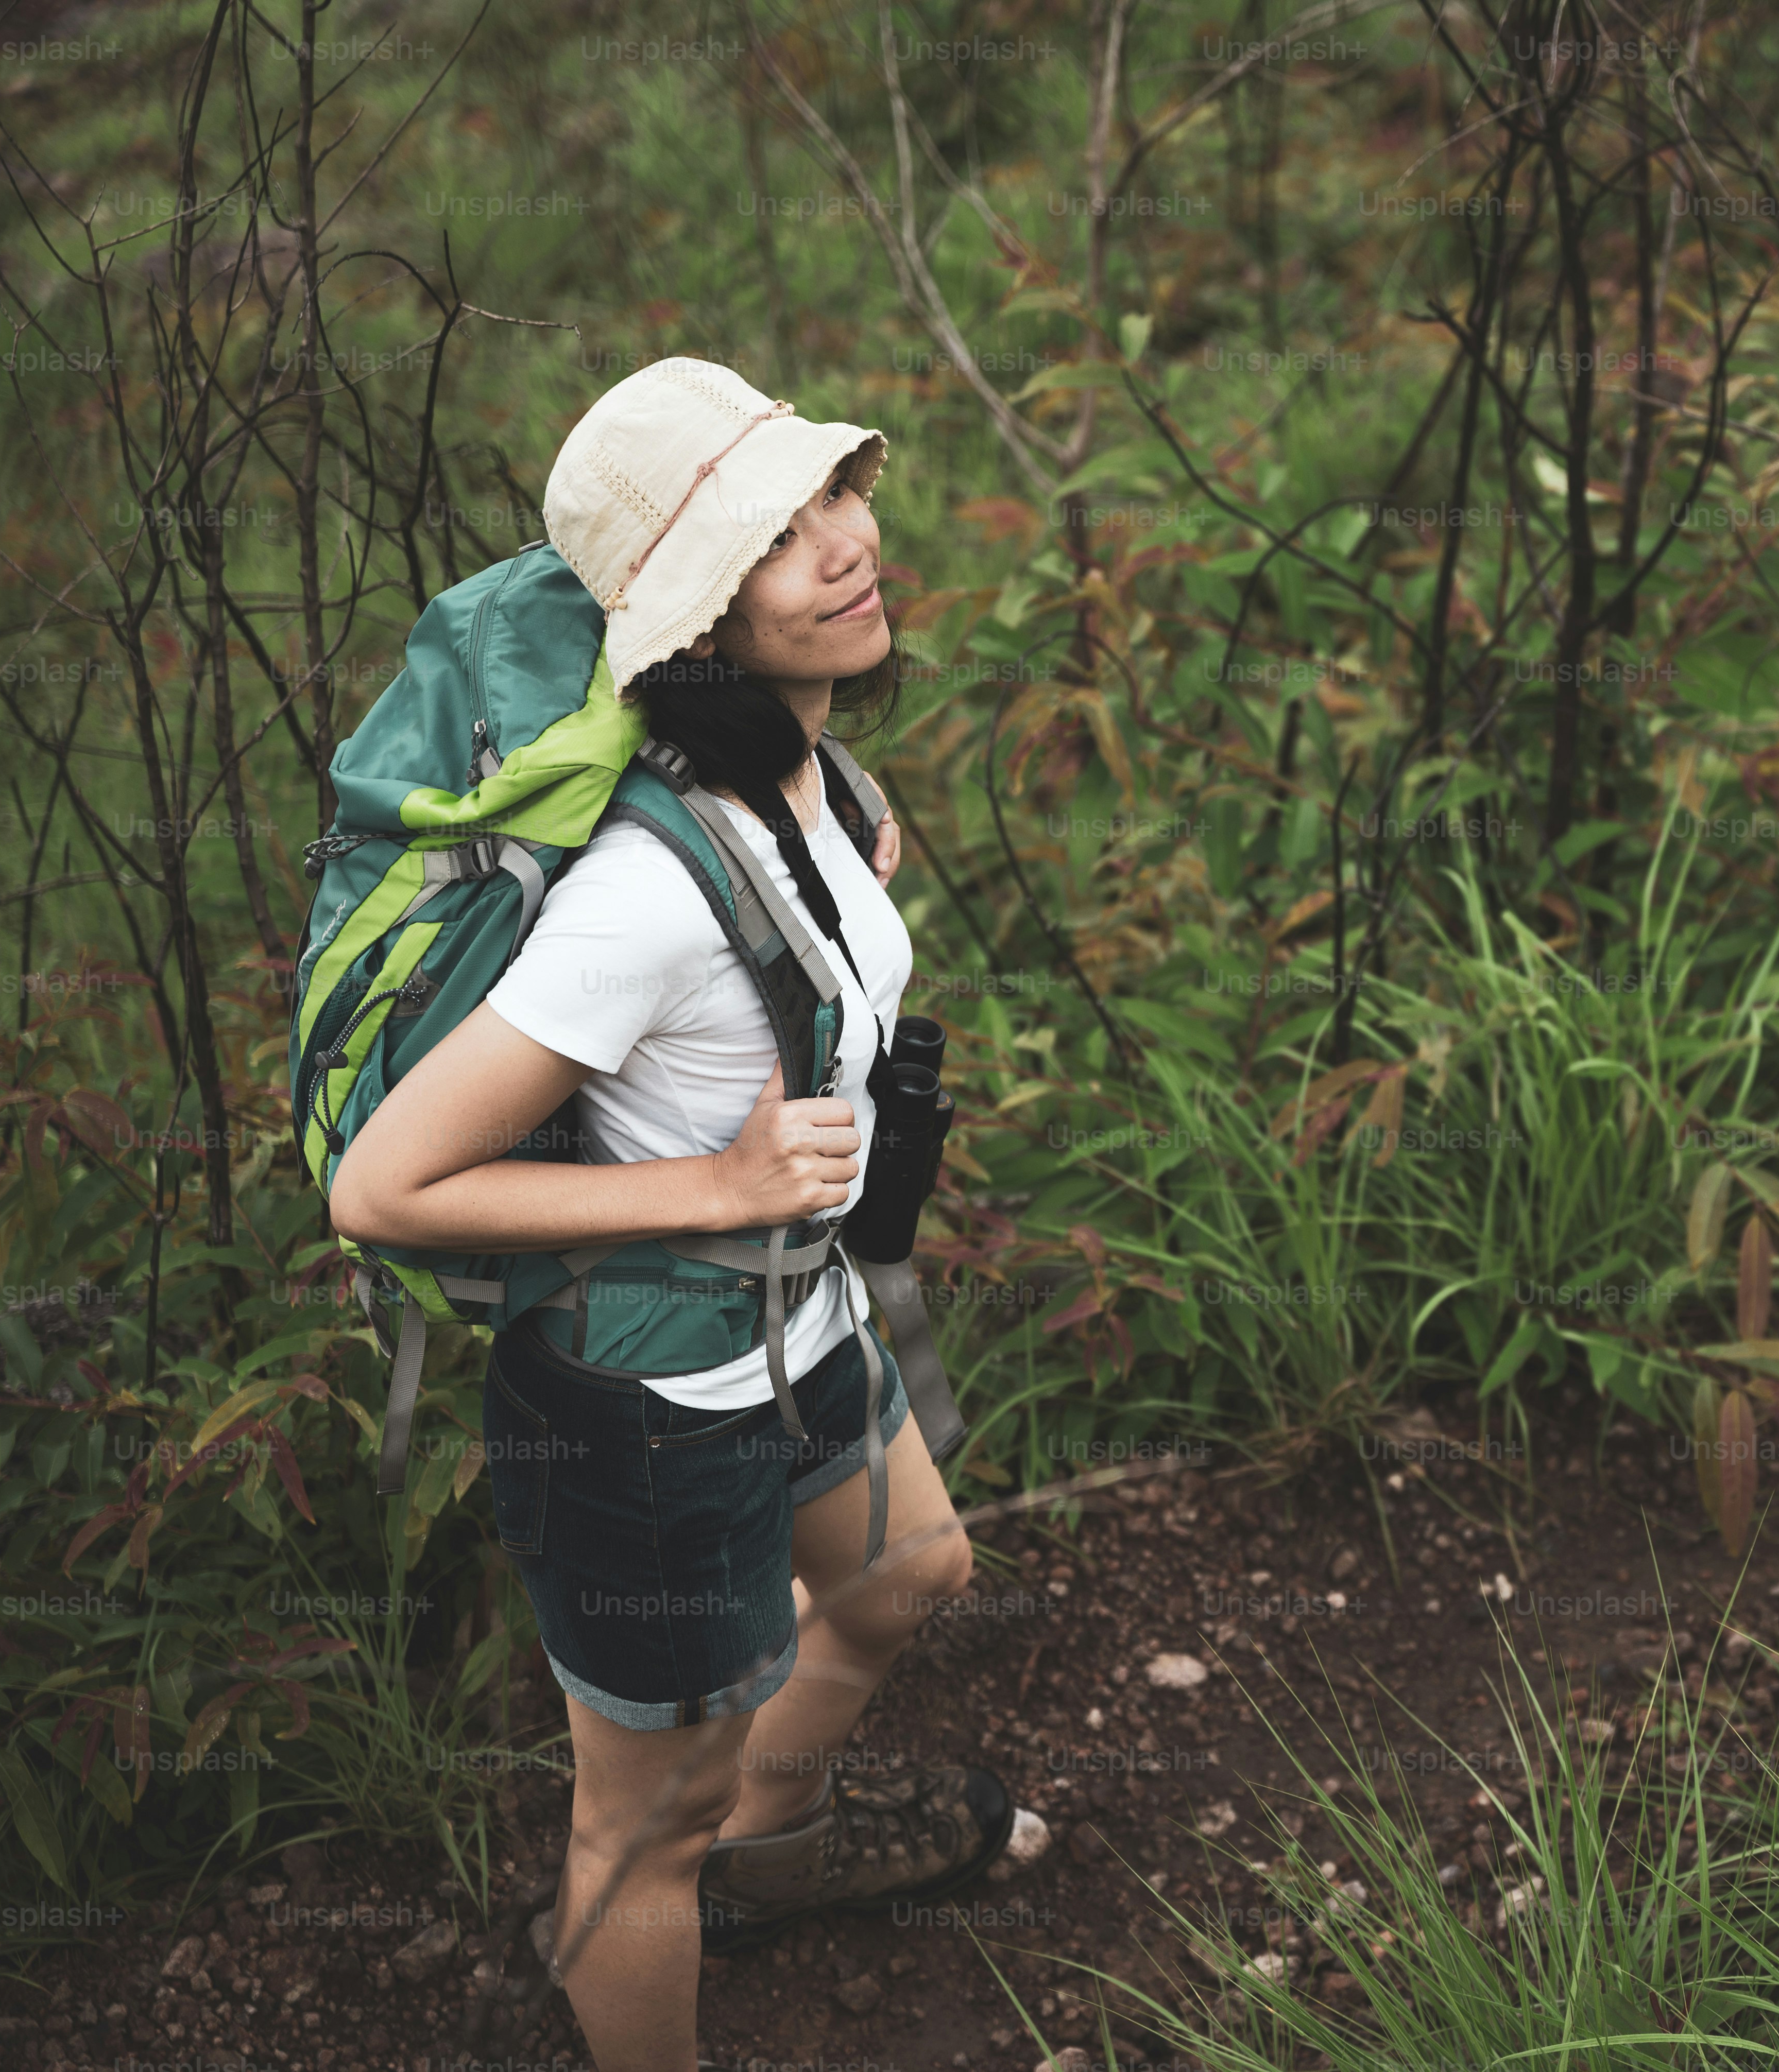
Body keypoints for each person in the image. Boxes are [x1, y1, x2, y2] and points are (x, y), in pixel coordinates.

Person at [330, 358, 1019, 2071]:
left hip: (797, 1318)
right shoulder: (641, 898)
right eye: (774, 537)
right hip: (648, 1410)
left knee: (908, 1575)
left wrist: (850, 858)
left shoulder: (813, 777)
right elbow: (384, 1186)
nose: (844, 543)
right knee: (648, 1823)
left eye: (833, 495)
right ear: (698, 624)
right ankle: (684, 1918)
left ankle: (772, 1859)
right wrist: (712, 1183)